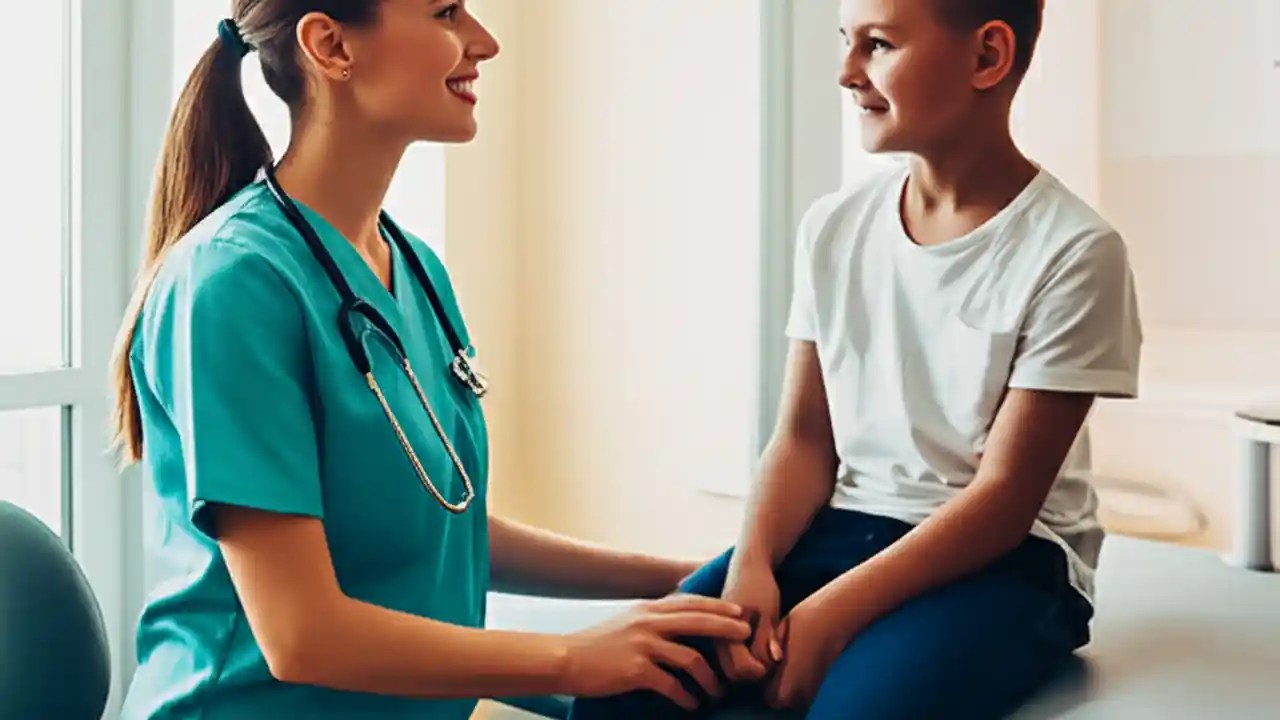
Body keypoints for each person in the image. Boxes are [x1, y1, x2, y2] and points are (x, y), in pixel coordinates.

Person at [112, 2, 759, 718]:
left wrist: (689, 579)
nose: (483, 41)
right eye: (446, 12)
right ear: (330, 45)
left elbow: (444, 528)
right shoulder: (231, 283)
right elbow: (302, 636)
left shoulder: (413, 269)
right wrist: (577, 658)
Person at [570, 0, 1142, 718]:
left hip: (1009, 563)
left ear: (987, 57)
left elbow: (1002, 501)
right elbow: (805, 439)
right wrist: (752, 567)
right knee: (628, 691)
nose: (846, 72)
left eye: (877, 45)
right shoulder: (835, 227)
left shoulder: (1074, 252)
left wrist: (828, 616)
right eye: (846, 41)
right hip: (844, 529)